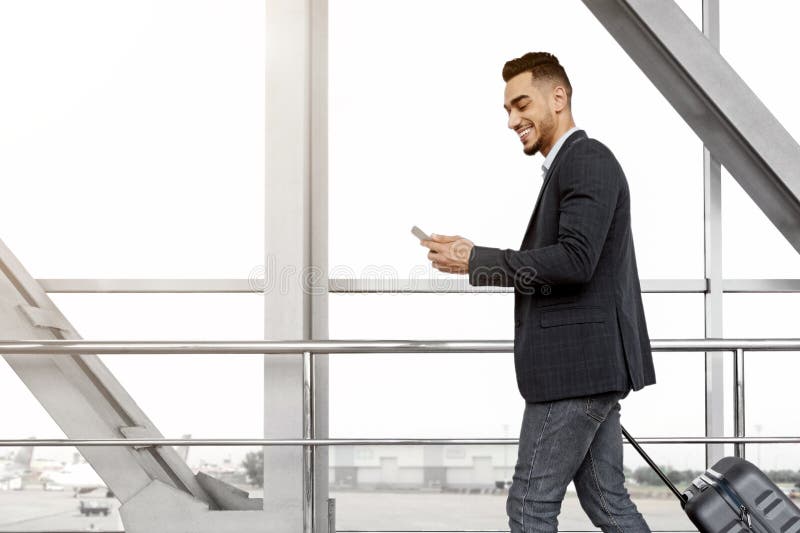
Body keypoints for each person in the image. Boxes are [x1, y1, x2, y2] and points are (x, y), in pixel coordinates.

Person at [420, 52, 656, 532]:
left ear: (558, 97)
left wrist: (477, 260)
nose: (512, 120)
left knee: (530, 506)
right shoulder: (571, 164)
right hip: (587, 368)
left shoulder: (587, 159)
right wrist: (474, 258)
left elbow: (575, 261)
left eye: (522, 104)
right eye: (508, 110)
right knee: (608, 503)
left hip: (576, 370)